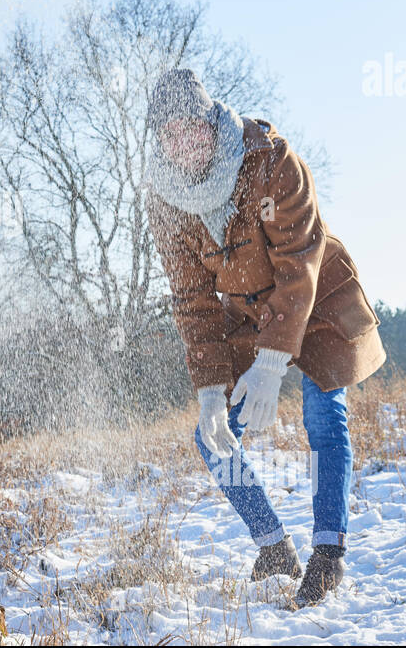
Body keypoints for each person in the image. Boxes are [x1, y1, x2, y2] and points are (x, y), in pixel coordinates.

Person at [145, 69, 386, 608]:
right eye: (170, 133)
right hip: (247, 318)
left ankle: (328, 552)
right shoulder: (164, 201)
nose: (184, 142)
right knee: (212, 436)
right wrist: (210, 389)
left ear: (210, 122)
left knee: (323, 418)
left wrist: (274, 365)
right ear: (159, 141)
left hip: (315, 297)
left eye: (192, 127)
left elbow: (300, 264)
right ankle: (275, 547)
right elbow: (194, 301)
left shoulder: (273, 162)